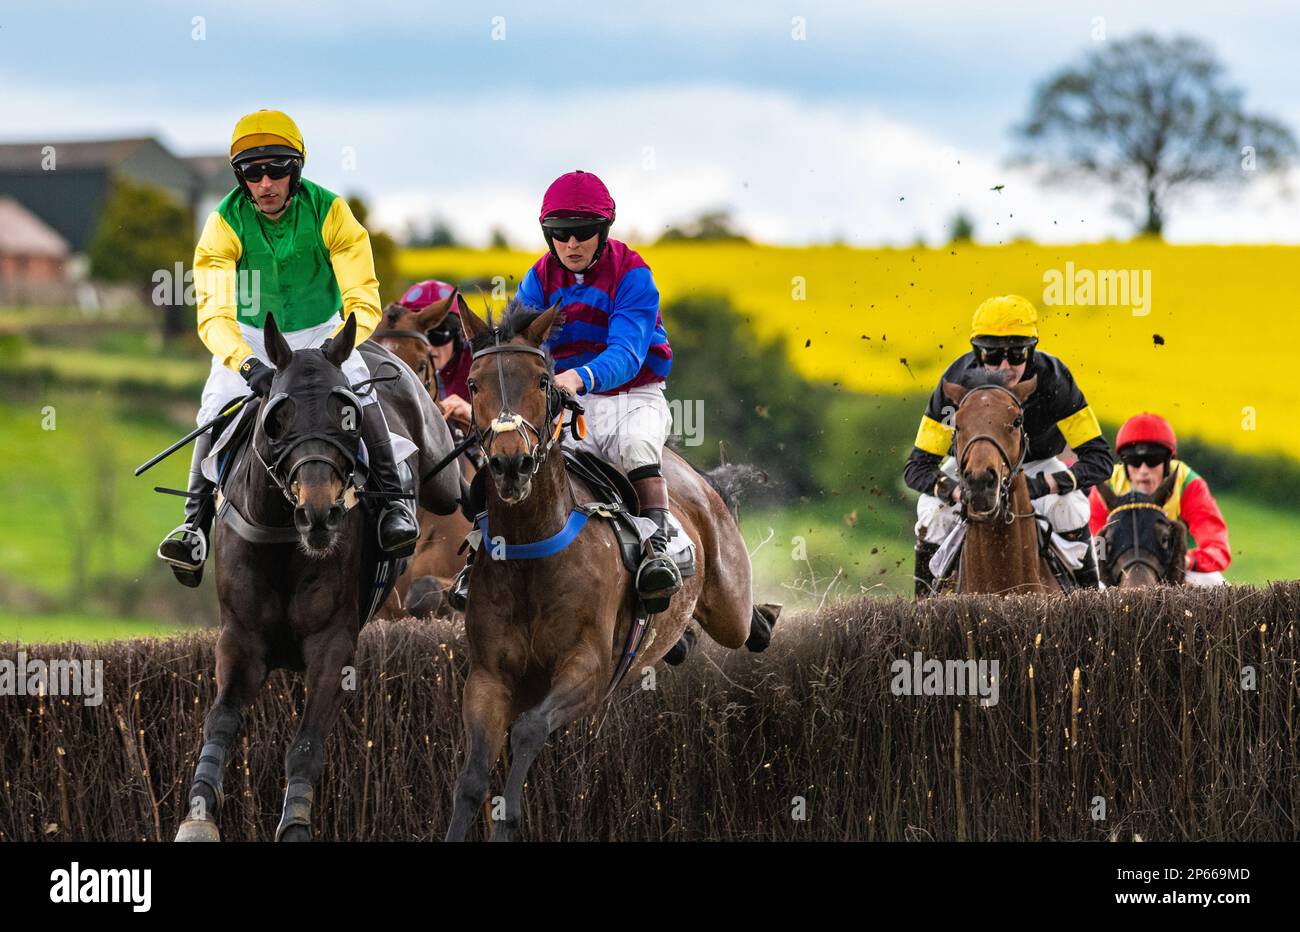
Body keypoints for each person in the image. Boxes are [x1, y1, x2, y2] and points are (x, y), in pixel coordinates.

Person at [157, 109, 418, 587]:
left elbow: (363, 298)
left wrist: (338, 349)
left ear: (296, 170)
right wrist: (248, 364)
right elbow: (214, 315)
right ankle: (194, 526)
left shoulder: (331, 210)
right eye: (252, 173)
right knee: (214, 404)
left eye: (276, 169)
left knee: (362, 390)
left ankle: (394, 507)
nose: (265, 182)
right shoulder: (223, 223)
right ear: (241, 177)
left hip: (325, 333)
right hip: (255, 339)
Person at [449, 170, 679, 611]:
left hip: (635, 395)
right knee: (516, 454)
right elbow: (519, 345)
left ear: (603, 231)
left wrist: (577, 378)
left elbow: (628, 354)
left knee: (634, 446)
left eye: (583, 233)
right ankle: (481, 551)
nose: (571, 245)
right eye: (560, 235)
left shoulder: (633, 276)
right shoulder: (538, 278)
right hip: (568, 401)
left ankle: (658, 552)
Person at [903, 294, 1114, 594]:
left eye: (1017, 354)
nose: (1005, 365)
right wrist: (955, 490)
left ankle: (1091, 607)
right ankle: (922, 616)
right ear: (977, 353)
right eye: (992, 355)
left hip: (1036, 463)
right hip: (972, 463)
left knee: (1071, 507)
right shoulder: (954, 380)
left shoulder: (1054, 379)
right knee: (933, 514)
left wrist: (1044, 485)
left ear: (1031, 351)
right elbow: (917, 466)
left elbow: (1100, 459)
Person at [1088, 413, 1230, 585]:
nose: (1143, 470)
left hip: (1179, 570)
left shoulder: (1189, 484)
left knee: (1215, 583)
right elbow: (1095, 545)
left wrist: (1183, 561)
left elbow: (1218, 549)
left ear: (1167, 462)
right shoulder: (1108, 487)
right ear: (1124, 464)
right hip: (1122, 572)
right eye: (1134, 460)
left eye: (1153, 460)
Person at [390, 279, 472, 430]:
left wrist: (472, 416)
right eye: (414, 338)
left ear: (459, 335)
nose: (426, 347)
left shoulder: (482, 364)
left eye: (437, 334)